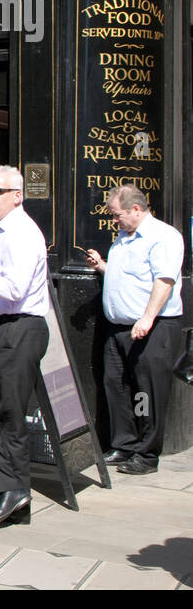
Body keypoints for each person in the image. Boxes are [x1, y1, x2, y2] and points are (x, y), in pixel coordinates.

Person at [84, 184, 185, 476]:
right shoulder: (124, 239)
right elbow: (128, 276)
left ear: (136, 209)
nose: (115, 220)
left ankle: (146, 452)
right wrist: (102, 266)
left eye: (117, 215)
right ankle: (124, 444)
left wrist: (147, 318)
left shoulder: (163, 237)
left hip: (151, 328)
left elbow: (164, 281)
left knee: (146, 393)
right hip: (118, 328)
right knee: (116, 385)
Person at [0, 165, 50, 527]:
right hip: (2, 329)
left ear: (17, 196)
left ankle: (16, 492)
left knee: (8, 415)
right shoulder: (2, 231)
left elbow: (14, 289)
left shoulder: (19, 233)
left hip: (19, 330)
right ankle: (9, 491)